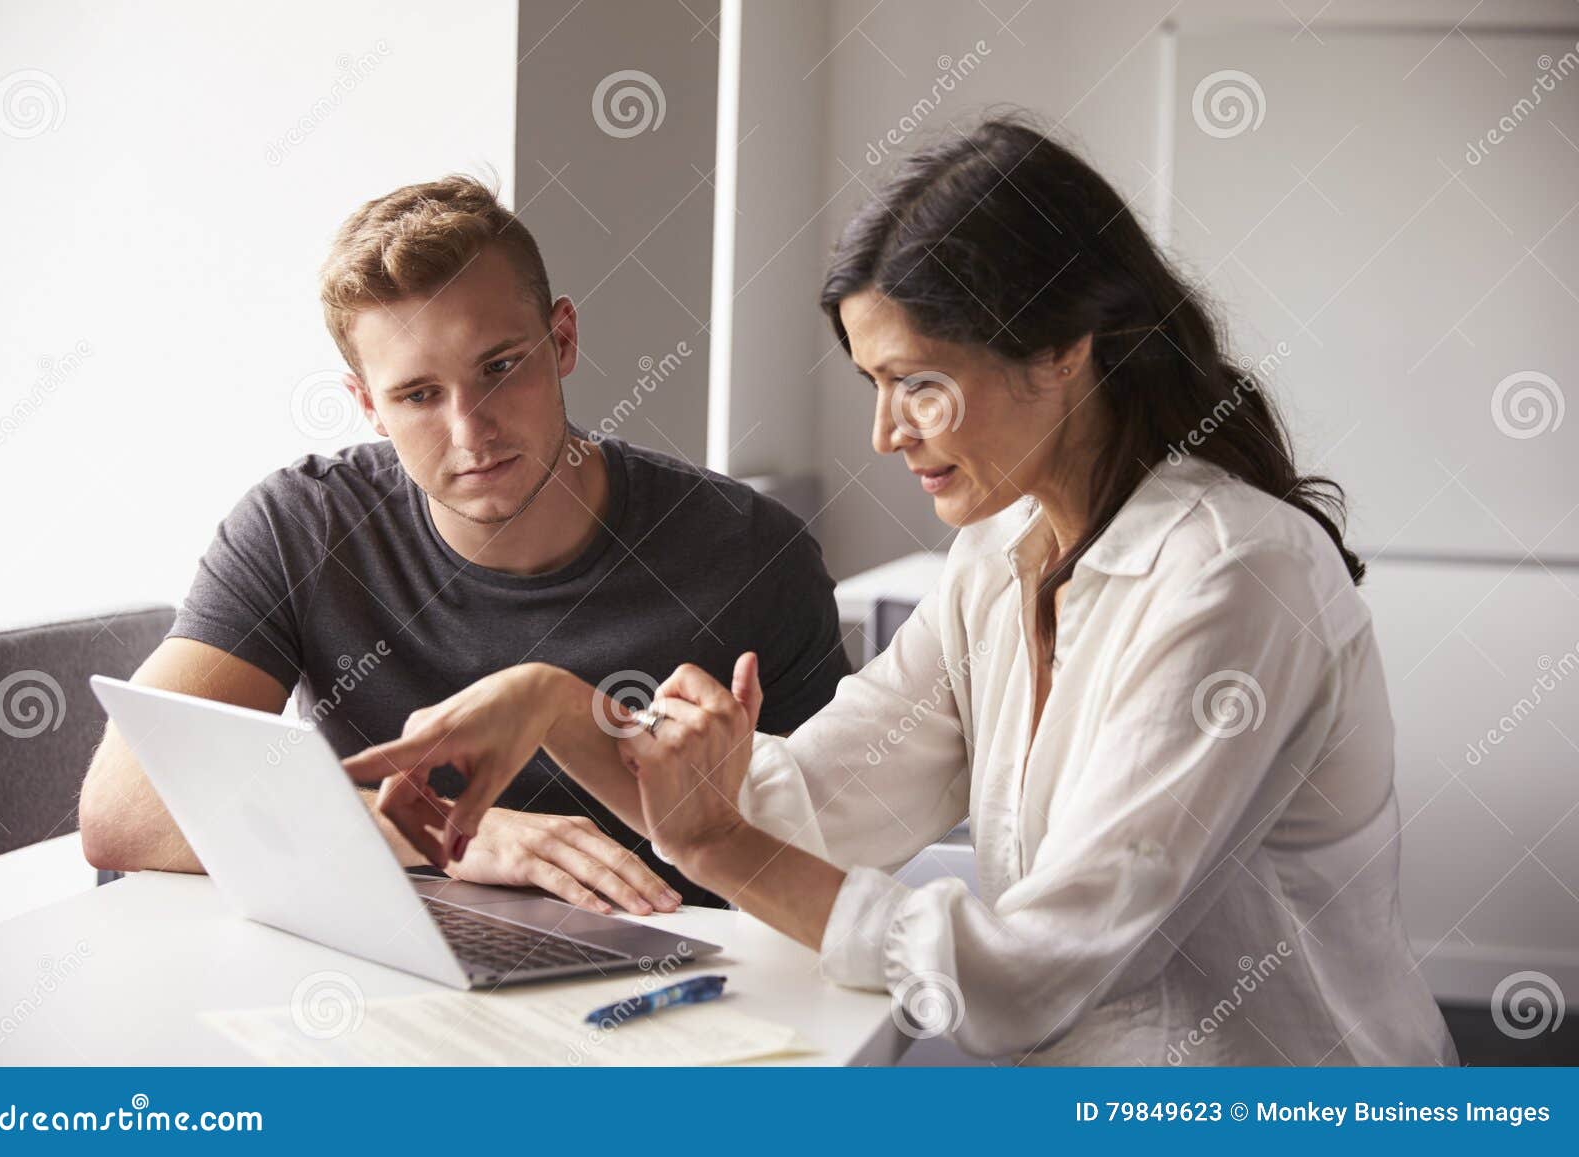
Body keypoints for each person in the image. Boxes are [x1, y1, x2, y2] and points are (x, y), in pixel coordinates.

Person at [343, 119, 1459, 1065]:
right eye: (874, 385)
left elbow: (1026, 976)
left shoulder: (1230, 572)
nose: (885, 432)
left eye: (917, 382)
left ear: (1062, 350)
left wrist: (723, 843)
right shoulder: (1002, 553)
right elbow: (802, 808)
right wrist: (549, 700)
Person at [79, 175, 851, 915]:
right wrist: (443, 835)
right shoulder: (301, 527)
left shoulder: (751, 551)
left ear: (563, 339)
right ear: (366, 405)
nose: (470, 429)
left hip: (674, 985)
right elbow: (123, 810)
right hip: (391, 965)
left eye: (500, 367)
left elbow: (842, 866)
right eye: (418, 395)